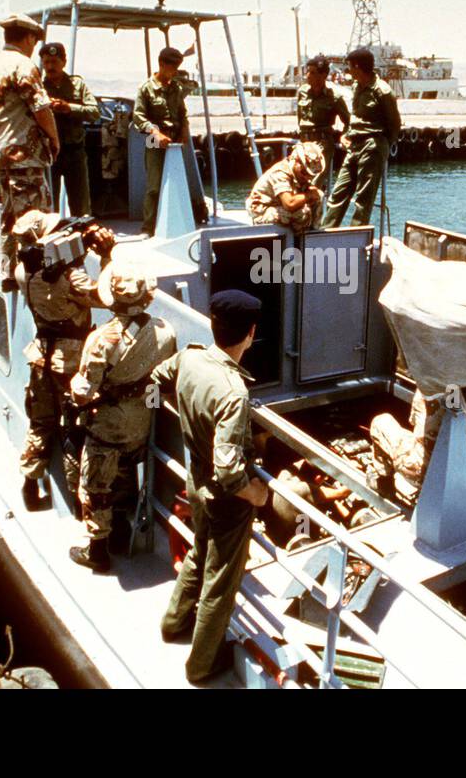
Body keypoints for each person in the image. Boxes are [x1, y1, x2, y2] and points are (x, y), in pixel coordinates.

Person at [154, 289, 270, 684]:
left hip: (196, 481)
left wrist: (191, 415)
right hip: (225, 499)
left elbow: (159, 378)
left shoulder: (190, 357)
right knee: (220, 581)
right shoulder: (234, 392)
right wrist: (253, 493)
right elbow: (228, 469)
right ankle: (202, 666)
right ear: (251, 334)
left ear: (214, 326)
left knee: (199, 553)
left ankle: (173, 624)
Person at [67, 260, 177, 572]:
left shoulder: (101, 340)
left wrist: (75, 388)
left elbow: (84, 392)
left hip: (108, 424)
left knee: (96, 485)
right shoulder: (165, 332)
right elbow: (162, 376)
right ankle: (121, 531)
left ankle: (98, 550)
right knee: (127, 474)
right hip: (141, 419)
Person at [12, 209, 113, 512]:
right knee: (73, 430)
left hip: (41, 356)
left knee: (40, 423)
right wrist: (107, 256)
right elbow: (105, 295)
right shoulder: (69, 278)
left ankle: (30, 487)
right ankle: (77, 504)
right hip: (69, 362)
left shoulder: (24, 271)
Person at [0, 13, 59, 291]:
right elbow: (41, 109)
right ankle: (34, 277)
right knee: (33, 218)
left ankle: (8, 273)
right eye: (34, 41)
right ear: (28, 38)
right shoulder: (23, 65)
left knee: (8, 217)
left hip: (1, 158)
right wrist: (54, 139)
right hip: (23, 158)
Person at [319, 48, 400, 229]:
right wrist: (347, 135)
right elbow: (357, 117)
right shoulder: (357, 87)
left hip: (372, 145)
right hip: (354, 145)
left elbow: (394, 125)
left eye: (349, 66)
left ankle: (356, 236)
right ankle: (325, 231)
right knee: (339, 192)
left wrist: (381, 145)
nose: (348, 70)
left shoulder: (383, 91)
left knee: (364, 198)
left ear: (357, 66)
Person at [39, 41, 100, 216]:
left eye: (54, 62)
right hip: (50, 155)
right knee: (49, 208)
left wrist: (70, 108)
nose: (50, 67)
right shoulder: (39, 89)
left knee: (80, 206)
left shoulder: (77, 85)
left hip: (75, 153)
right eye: (46, 63)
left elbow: (94, 112)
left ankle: (81, 238)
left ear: (63, 62)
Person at [132, 47, 188, 237]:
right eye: (173, 67)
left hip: (174, 141)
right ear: (162, 64)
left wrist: (185, 131)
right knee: (154, 186)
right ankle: (148, 227)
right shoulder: (145, 88)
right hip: (154, 139)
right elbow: (138, 117)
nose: (175, 72)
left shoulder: (176, 88)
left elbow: (182, 112)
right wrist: (155, 133)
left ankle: (176, 224)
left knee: (177, 182)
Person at [245, 141, 326, 233]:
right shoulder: (280, 173)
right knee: (301, 214)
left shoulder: (297, 173)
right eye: (304, 173)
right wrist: (308, 195)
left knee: (319, 196)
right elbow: (289, 204)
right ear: (295, 161)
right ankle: (297, 242)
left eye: (311, 175)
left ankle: (314, 233)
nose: (307, 178)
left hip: (279, 205)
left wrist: (312, 194)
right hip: (262, 211)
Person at [295, 54, 349, 189]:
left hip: (322, 145)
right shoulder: (302, 92)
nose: (308, 75)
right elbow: (300, 117)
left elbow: (348, 122)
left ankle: (314, 207)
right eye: (307, 71)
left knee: (312, 184)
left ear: (323, 75)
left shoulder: (334, 98)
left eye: (312, 73)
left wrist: (344, 135)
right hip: (303, 143)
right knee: (295, 180)